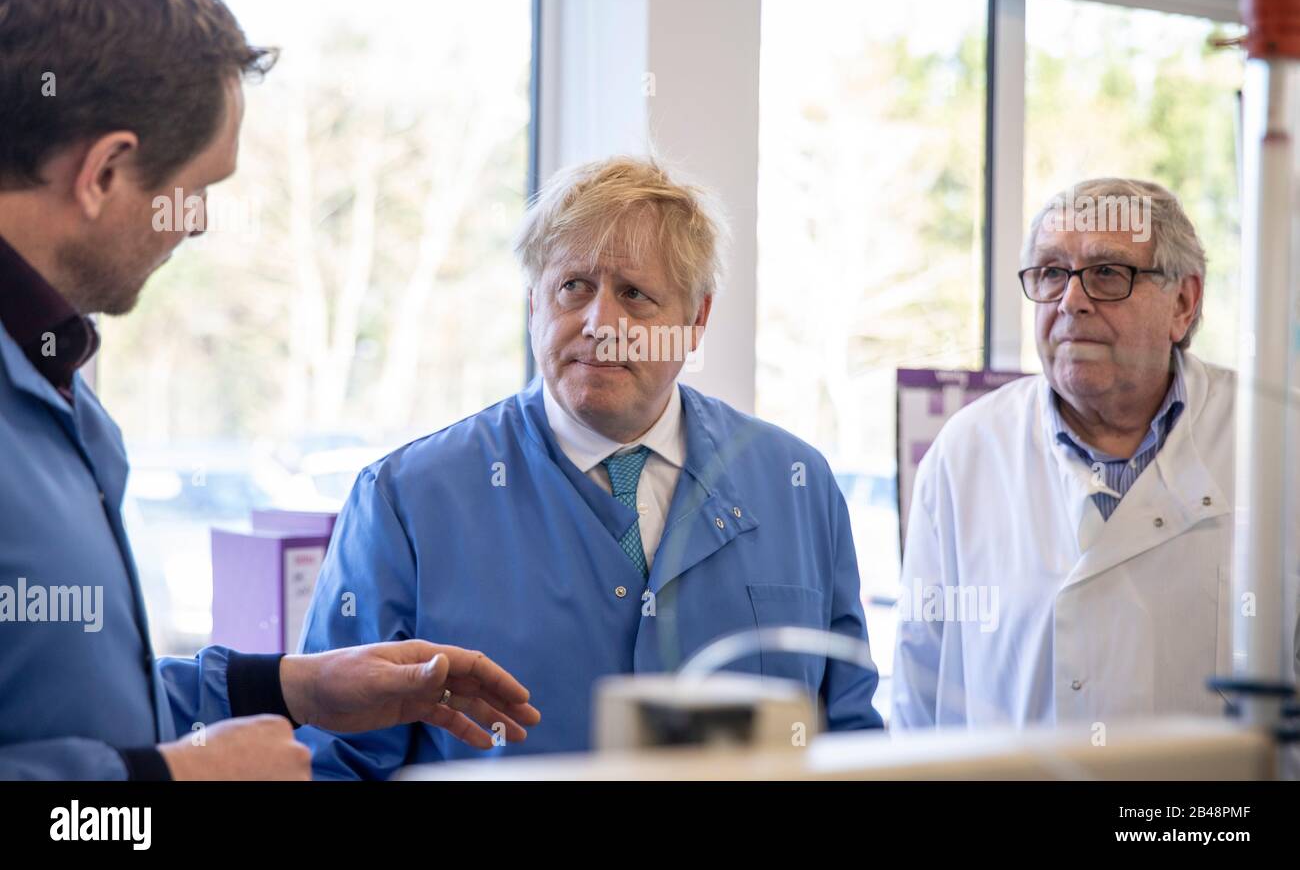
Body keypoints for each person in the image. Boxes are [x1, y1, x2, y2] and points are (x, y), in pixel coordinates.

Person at [0, 0, 538, 780]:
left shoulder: (60, 391)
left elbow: (66, 710)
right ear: (105, 172)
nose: (202, 223)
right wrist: (168, 783)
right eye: (198, 190)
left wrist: (295, 687)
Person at [298, 155, 883, 778]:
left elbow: (849, 739)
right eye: (574, 287)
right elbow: (337, 762)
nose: (602, 324)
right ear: (533, 305)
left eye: (635, 294)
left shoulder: (797, 486)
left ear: (696, 319)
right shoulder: (407, 500)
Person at [890, 177, 1257, 728]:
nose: (1071, 301)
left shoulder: (1274, 442)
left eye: (1108, 272)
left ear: (1183, 302)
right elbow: (919, 695)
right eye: (1051, 273)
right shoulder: (965, 452)